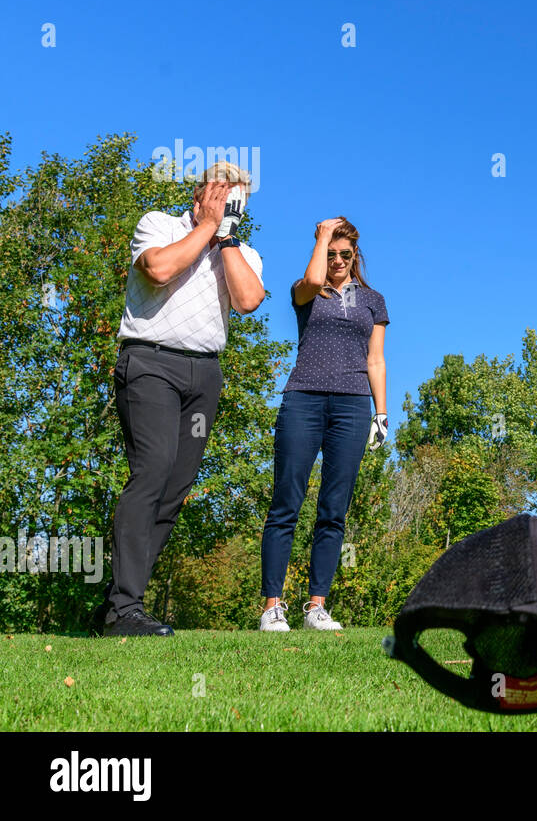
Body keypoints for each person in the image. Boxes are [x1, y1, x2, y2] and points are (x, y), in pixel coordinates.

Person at [95, 162, 265, 636]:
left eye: (235, 203)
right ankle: (127, 609)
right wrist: (207, 226)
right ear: (200, 194)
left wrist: (225, 238)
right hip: (150, 363)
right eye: (219, 197)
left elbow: (249, 300)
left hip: (204, 374)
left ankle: (117, 606)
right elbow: (159, 270)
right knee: (151, 472)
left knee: (174, 489)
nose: (226, 207)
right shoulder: (159, 225)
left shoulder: (243, 253)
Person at [258, 217, 389, 632]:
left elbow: (375, 360)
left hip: (352, 408)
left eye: (344, 254)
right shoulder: (306, 291)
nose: (337, 260)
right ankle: (271, 607)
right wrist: (320, 239)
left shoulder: (374, 301)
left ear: (356, 256)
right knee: (286, 503)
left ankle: (316, 605)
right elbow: (313, 278)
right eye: (331, 253)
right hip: (303, 400)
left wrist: (381, 414)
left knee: (333, 510)